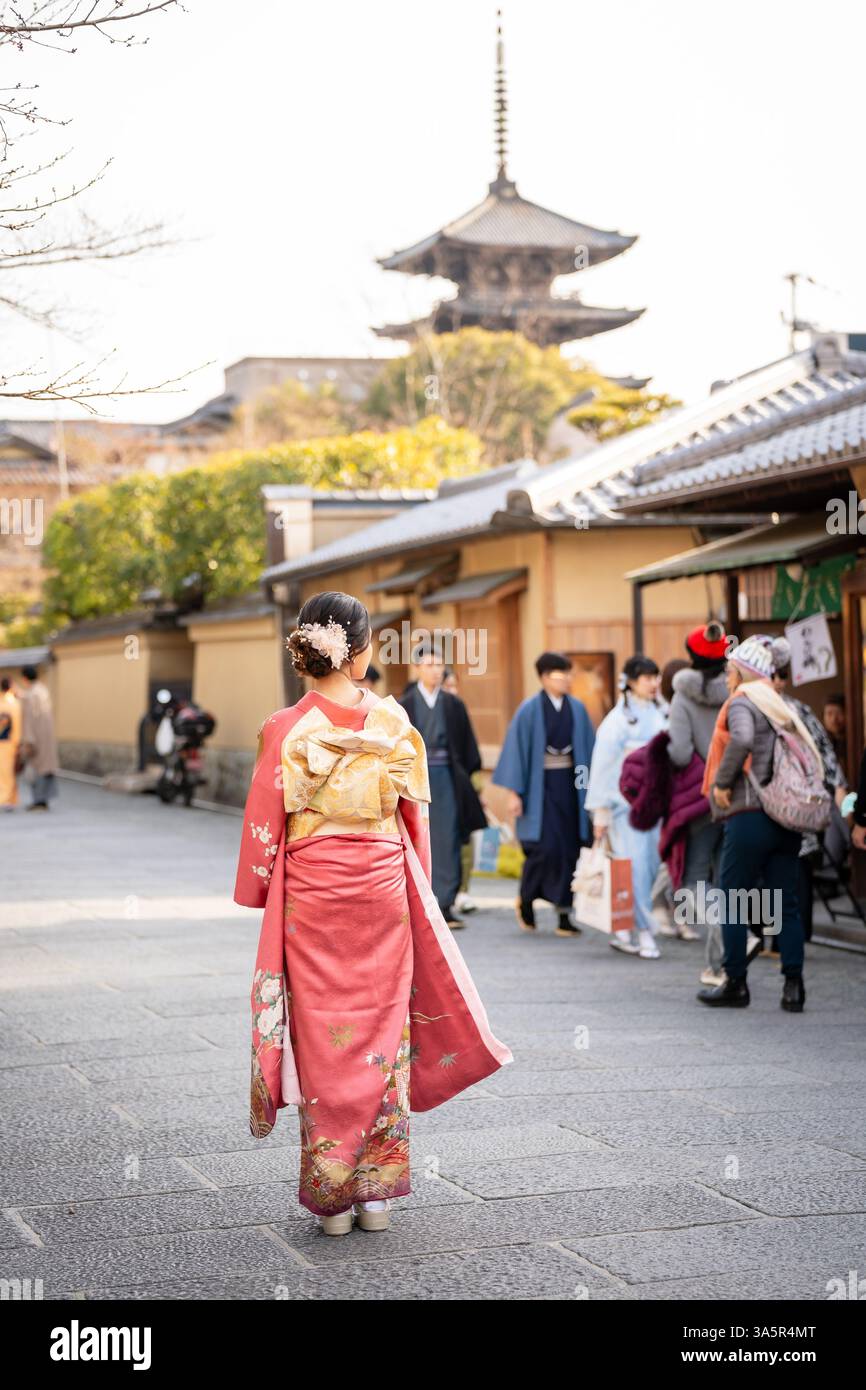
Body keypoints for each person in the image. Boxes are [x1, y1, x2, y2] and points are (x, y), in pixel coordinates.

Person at [233, 590, 512, 1237]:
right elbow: (418, 817)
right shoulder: (393, 724)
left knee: (324, 1032)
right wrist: (418, 883)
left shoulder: (285, 726)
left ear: (308, 650)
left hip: (314, 890)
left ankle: (331, 1199)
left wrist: (259, 892)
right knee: (383, 1033)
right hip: (382, 884)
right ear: (359, 655)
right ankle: (377, 1197)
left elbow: (264, 826)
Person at [697, 635, 821, 1012]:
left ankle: (735, 982)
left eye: (730, 669)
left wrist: (721, 783)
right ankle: (793, 987)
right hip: (784, 817)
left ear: (743, 672)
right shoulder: (780, 704)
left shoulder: (743, 701)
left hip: (749, 813)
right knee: (786, 904)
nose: (727, 676)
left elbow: (743, 739)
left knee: (733, 899)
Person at [492, 652, 594, 937]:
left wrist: (589, 791)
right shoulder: (529, 710)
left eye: (568, 673)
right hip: (539, 788)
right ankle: (526, 899)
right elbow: (517, 753)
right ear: (545, 677)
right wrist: (515, 793)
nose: (567, 679)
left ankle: (564, 914)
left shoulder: (577, 709)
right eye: (561, 674)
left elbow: (588, 752)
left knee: (569, 849)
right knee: (542, 849)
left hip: (570, 787)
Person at [398, 644, 486, 929]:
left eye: (439, 665)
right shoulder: (404, 704)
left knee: (448, 839)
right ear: (417, 668)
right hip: (416, 779)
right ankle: (420, 902)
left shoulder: (454, 704)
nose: (436, 670)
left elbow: (469, 749)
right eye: (429, 664)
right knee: (419, 837)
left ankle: (445, 903)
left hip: (447, 777)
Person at [585, 655, 668, 958]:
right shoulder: (618, 721)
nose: (653, 683)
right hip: (625, 806)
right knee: (634, 870)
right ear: (631, 681)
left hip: (655, 804)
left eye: (656, 677)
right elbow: (604, 767)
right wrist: (601, 811)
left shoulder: (662, 713)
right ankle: (645, 933)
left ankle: (624, 929)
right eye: (647, 678)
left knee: (647, 867)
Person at [771, 642, 849, 945]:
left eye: (780, 675)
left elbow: (827, 759)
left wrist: (844, 800)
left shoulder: (793, 710)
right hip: (781, 808)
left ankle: (786, 940)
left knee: (789, 874)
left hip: (790, 808)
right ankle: (784, 938)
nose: (777, 681)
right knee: (784, 873)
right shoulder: (750, 708)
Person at [667, 622, 731, 981]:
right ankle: (724, 957)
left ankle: (723, 946)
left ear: (690, 655)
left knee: (692, 879)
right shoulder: (738, 692)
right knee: (727, 877)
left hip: (698, 799)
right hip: (734, 796)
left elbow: (677, 752)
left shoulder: (682, 697)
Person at [442, 668, 478, 915]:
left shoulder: (457, 708)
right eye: (449, 685)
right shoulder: (413, 705)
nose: (453, 690)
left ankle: (460, 891)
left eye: (455, 685)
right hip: (436, 784)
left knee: (463, 841)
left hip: (459, 782)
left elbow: (469, 752)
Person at [18, 665, 58, 811]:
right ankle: (44, 800)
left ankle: (38, 801)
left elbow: (29, 720)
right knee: (46, 770)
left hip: (35, 739)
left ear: (24, 678)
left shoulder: (30, 695)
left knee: (36, 770)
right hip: (47, 738)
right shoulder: (42, 690)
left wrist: (28, 740)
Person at [0, 677, 22, 810]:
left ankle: (10, 798)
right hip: (10, 743)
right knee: (8, 772)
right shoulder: (14, 705)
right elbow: (17, 726)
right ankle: (6, 799)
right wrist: (18, 743)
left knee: (2, 772)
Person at [822, 693, 846, 770]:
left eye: (838, 713)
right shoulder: (821, 741)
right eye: (829, 714)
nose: (834, 719)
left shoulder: (854, 742)